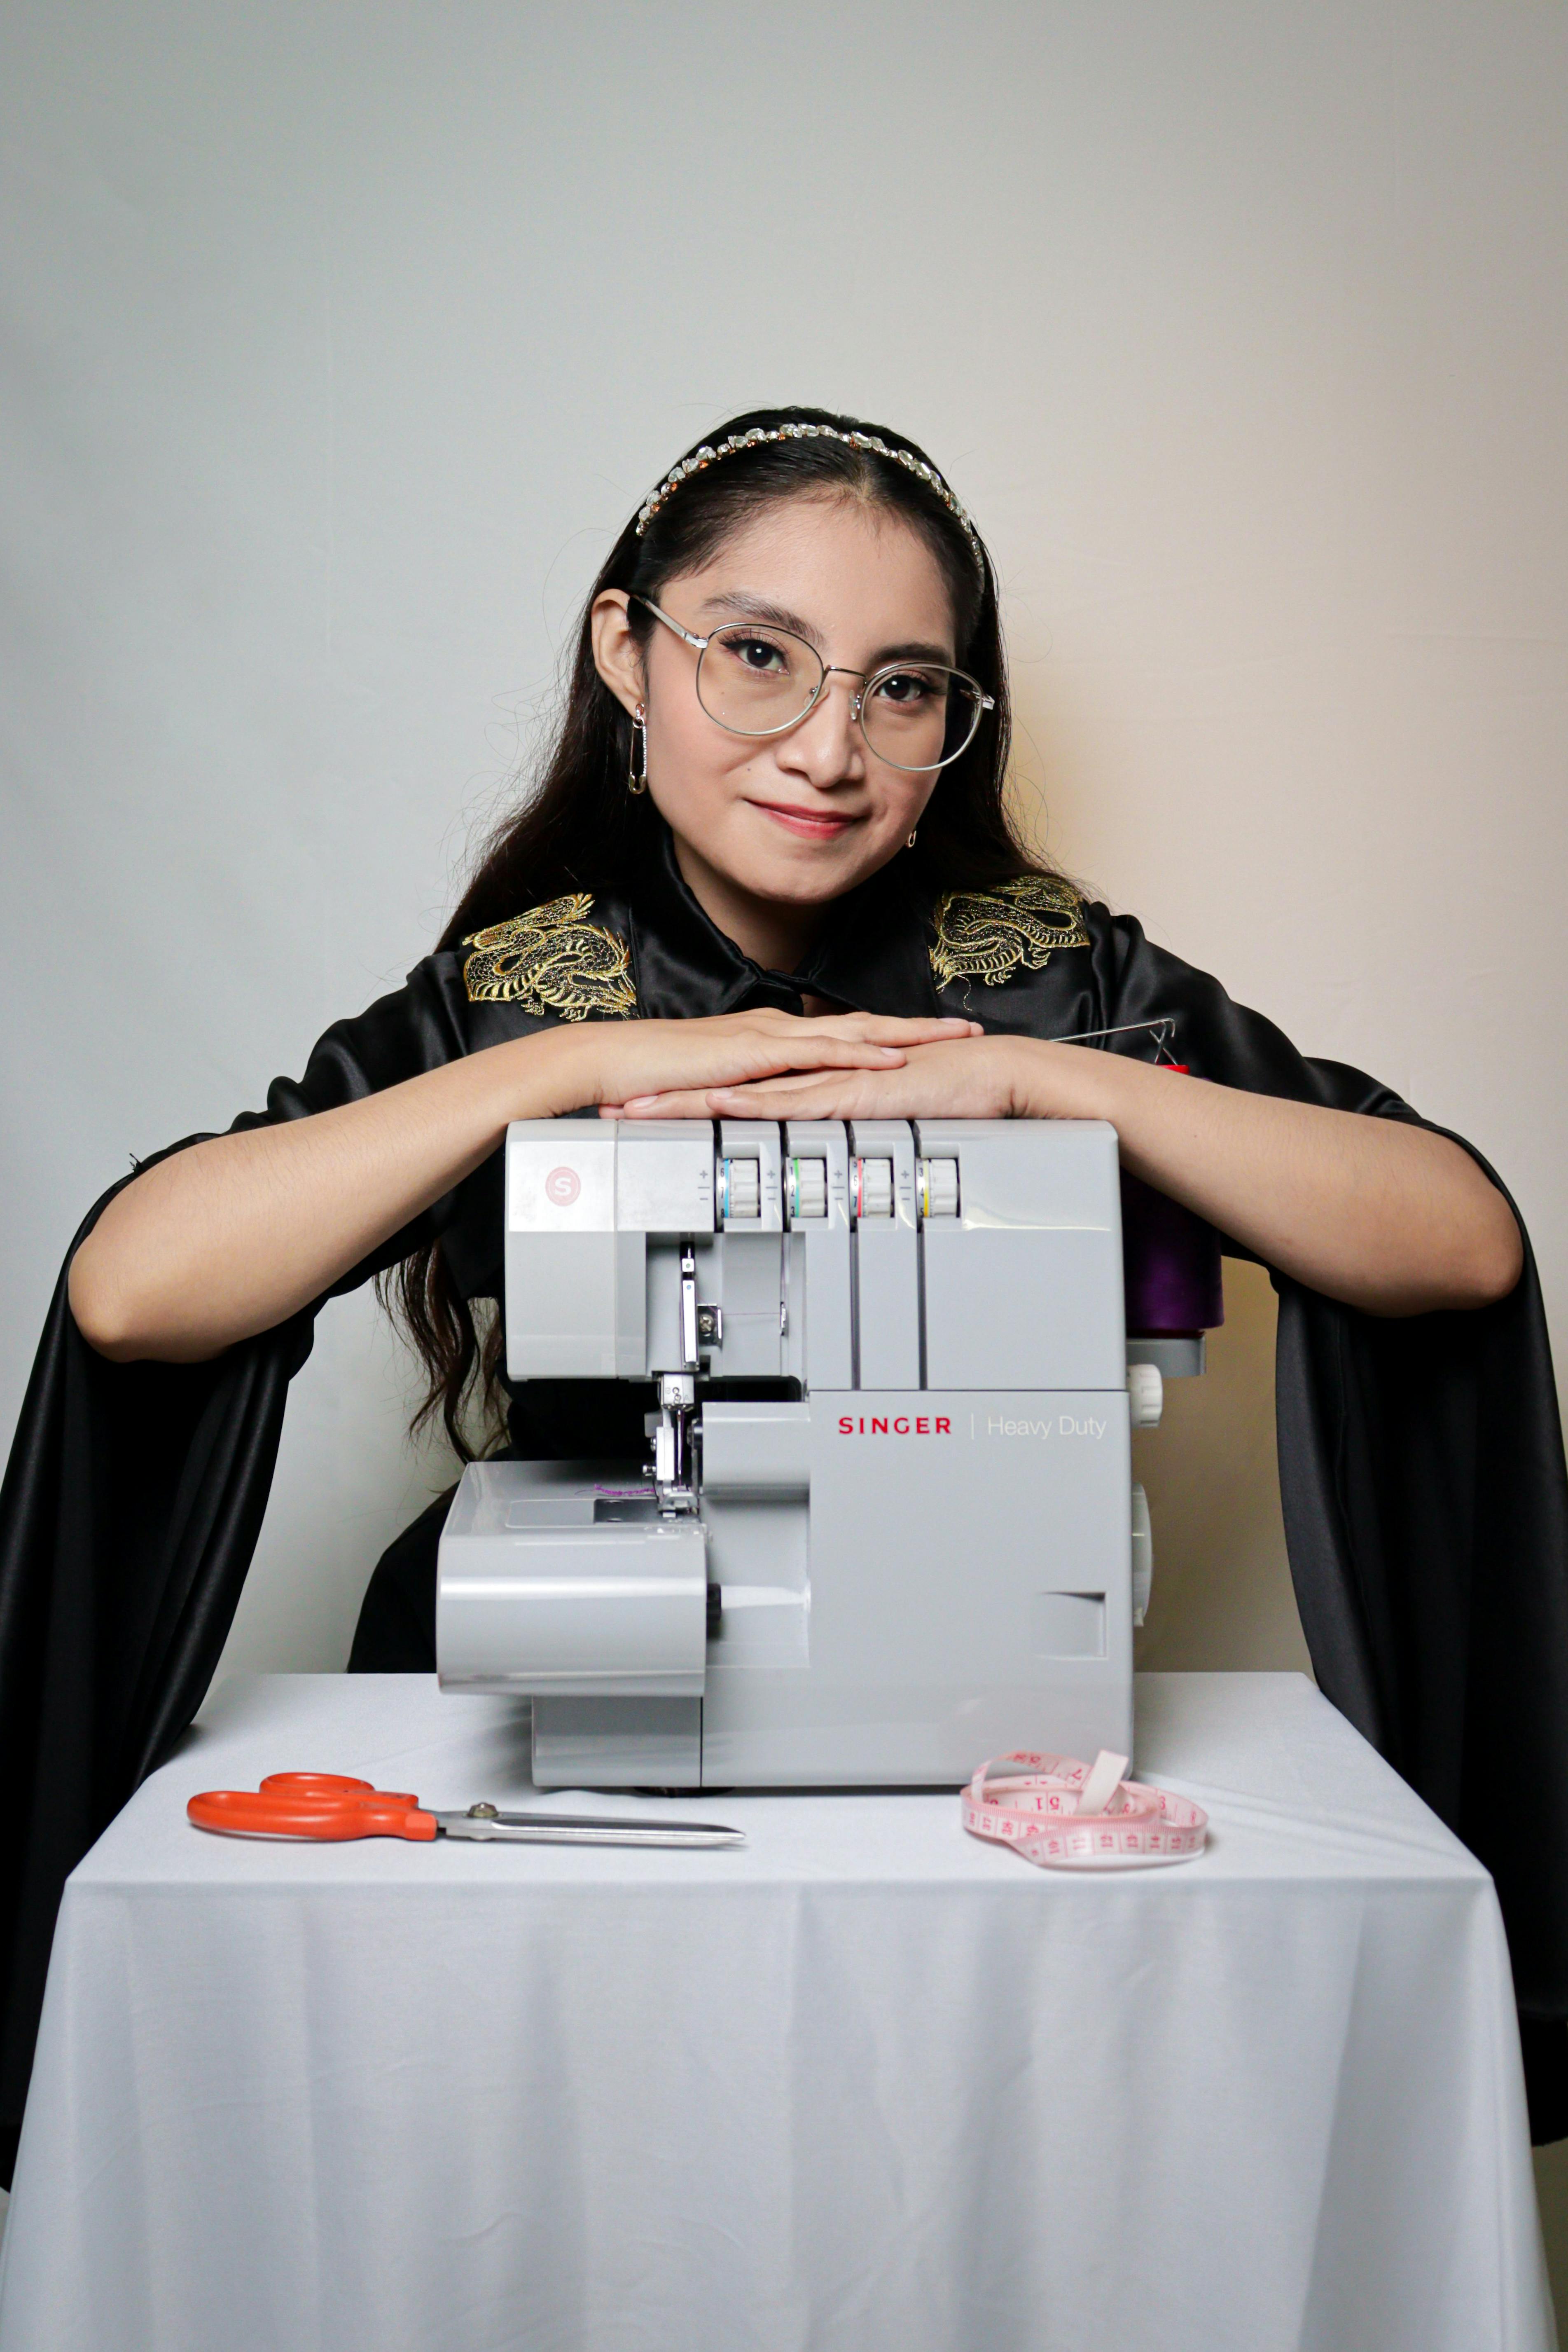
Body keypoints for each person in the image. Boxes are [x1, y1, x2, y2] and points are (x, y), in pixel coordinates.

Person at [4, 406, 1566, 2176]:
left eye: (902, 688)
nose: (828, 748)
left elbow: (1459, 1241)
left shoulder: (1045, 974)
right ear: (627, 651)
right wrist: (558, 1069)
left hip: (962, 1716)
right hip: (527, 1701)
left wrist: (1041, 1081)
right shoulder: (527, 987)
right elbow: (133, 1291)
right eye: (758, 655)